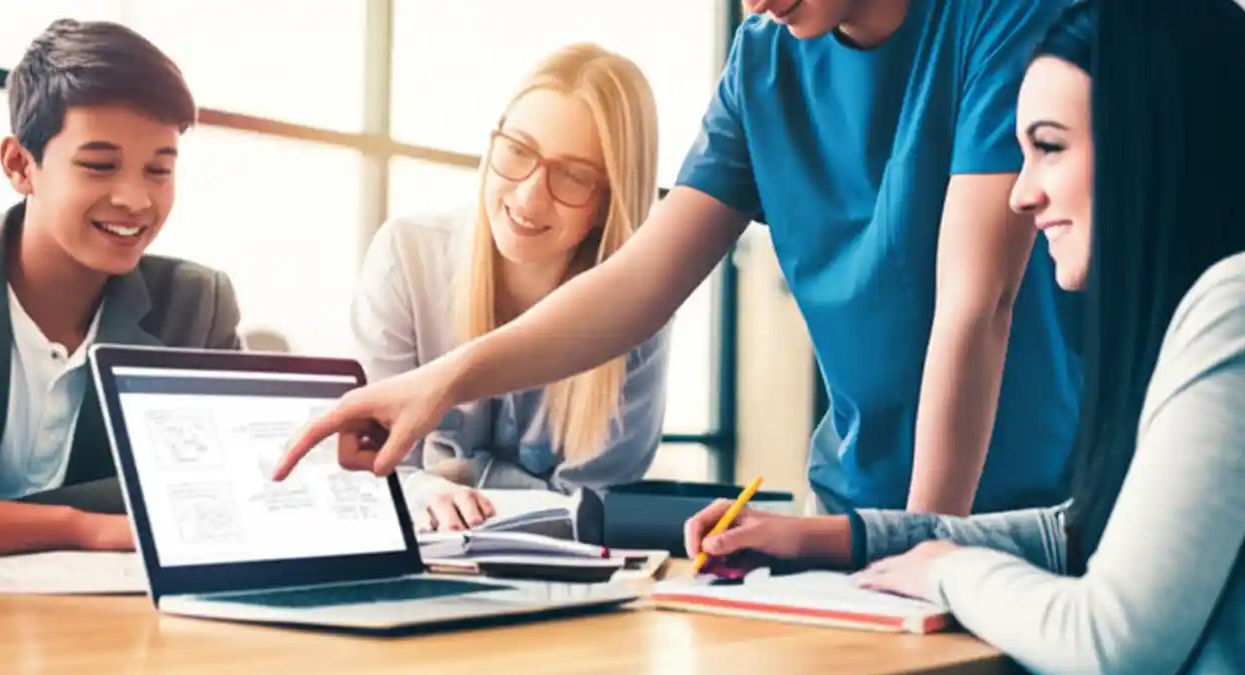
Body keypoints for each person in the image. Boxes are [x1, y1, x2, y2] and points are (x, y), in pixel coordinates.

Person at [278, 0, 1080, 518]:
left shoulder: (1002, 17)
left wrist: (916, 546)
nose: (756, 3)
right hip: (856, 508)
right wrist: (440, 379)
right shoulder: (762, 61)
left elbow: (977, 304)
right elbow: (636, 284)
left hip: (1021, 510)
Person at [682, 1, 1245, 675]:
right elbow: (1073, 531)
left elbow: (1112, 648)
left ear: (1152, 142)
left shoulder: (1233, 314)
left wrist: (948, 570)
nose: (1021, 190)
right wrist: (835, 538)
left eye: (1050, 146)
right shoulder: (1182, 329)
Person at [349, 44, 668, 531]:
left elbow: (593, 507)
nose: (528, 195)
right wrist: (424, 487)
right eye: (517, 151)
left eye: (574, 176)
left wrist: (462, 474)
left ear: (610, 201)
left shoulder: (639, 306)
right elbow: (375, 464)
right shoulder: (406, 258)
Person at [0, 19, 243, 555]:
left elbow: (218, 490)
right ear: (21, 165)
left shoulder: (195, 306)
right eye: (99, 166)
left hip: (117, 620)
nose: (136, 201)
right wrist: (81, 526)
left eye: (158, 171)